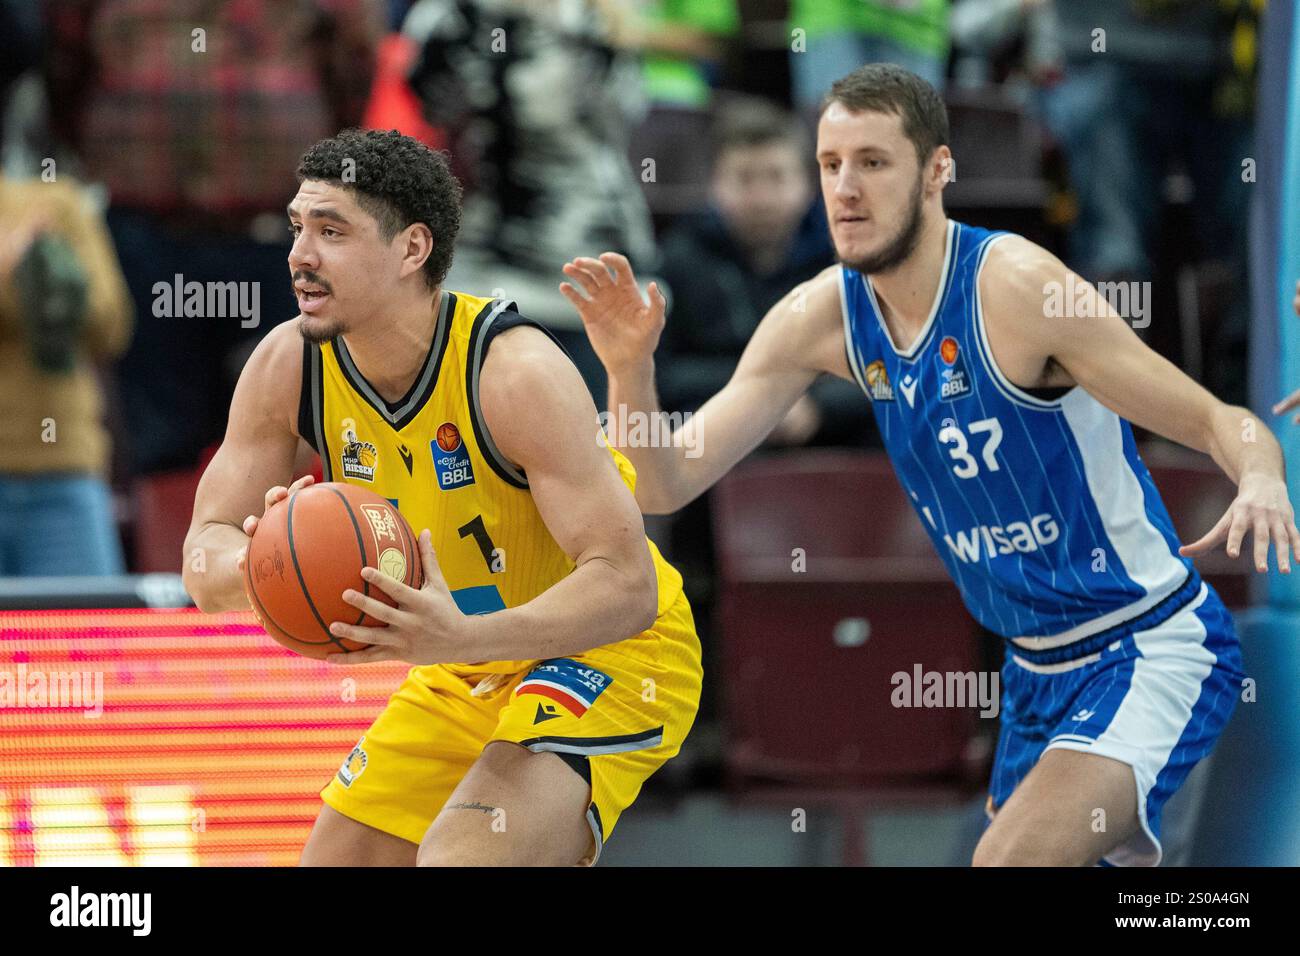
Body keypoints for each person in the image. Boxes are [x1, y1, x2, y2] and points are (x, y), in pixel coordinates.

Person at [560, 64, 1297, 867]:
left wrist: (1260, 474)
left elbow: (1218, 420)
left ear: (937, 170)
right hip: (1034, 673)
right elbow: (666, 479)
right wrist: (629, 367)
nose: (845, 188)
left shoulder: (1019, 289)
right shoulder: (817, 315)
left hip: (1146, 643)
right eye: (830, 164)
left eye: (872, 162)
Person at [181, 129, 701, 867]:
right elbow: (203, 560)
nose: (300, 254)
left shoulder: (512, 372)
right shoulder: (286, 365)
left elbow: (628, 586)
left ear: (411, 249)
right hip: (465, 663)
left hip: (612, 653)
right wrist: (267, 554)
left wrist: (462, 638)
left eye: (332, 231)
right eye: (298, 227)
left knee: (462, 857)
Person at [0, 175, 133, 576]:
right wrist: (12, 269)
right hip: (61, 477)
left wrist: (47, 276)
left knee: (89, 631)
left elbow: (112, 325)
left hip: (60, 471)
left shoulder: (57, 201)